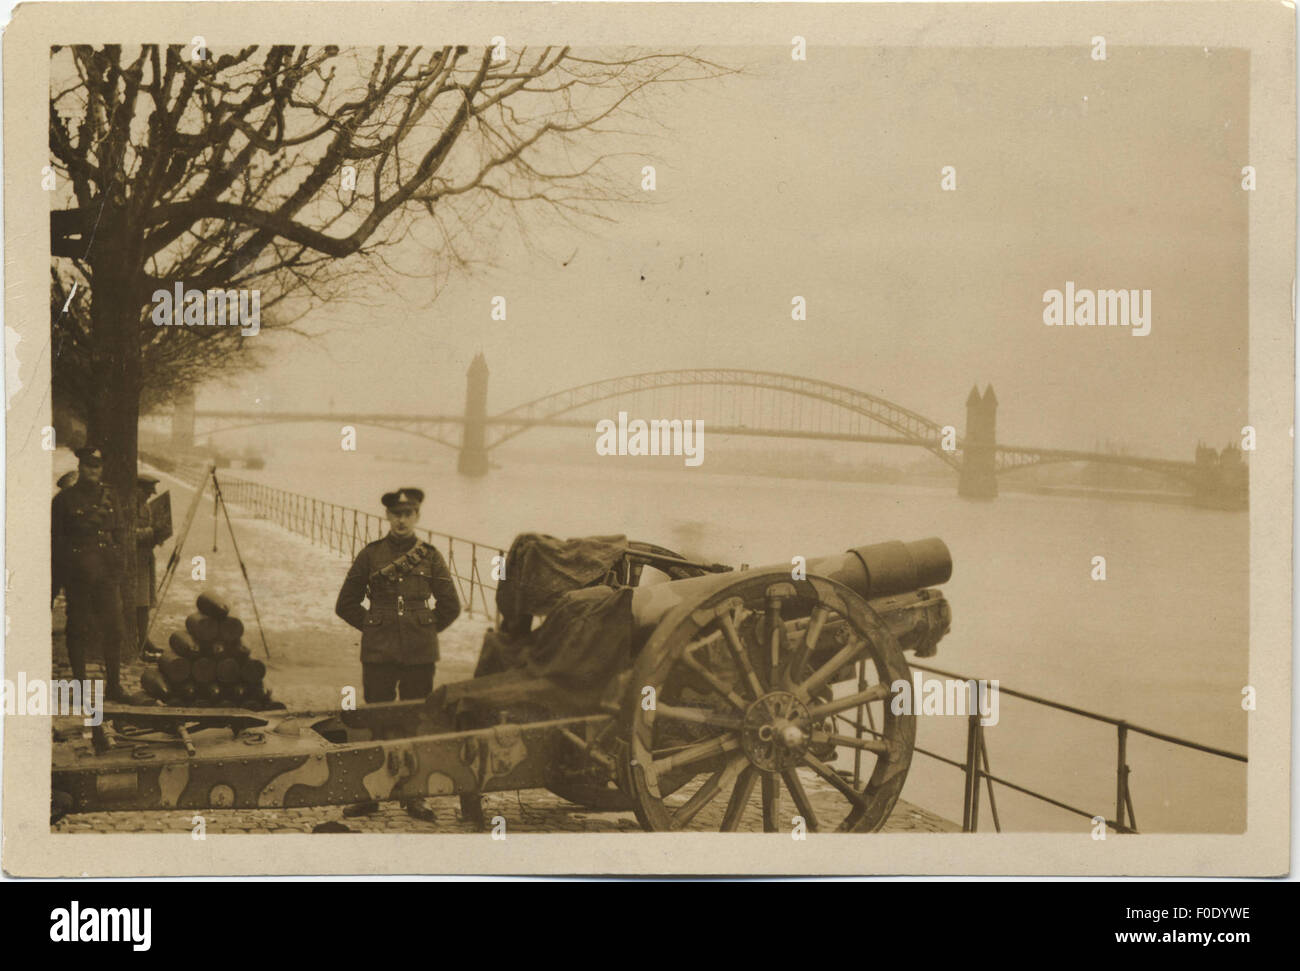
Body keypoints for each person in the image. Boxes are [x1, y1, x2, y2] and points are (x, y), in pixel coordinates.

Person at [334, 487, 460, 821]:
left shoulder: (430, 556)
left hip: (420, 653)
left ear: (417, 516)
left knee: (415, 720)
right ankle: (371, 794)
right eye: (396, 514)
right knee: (377, 719)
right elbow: (345, 604)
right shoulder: (371, 555)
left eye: (408, 514)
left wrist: (425, 629)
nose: (402, 520)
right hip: (378, 653)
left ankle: (415, 795)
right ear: (387, 516)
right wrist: (374, 626)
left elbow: (450, 605)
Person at [51, 446, 127, 701]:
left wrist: (119, 568)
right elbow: (57, 542)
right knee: (77, 628)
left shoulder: (111, 497)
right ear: (80, 467)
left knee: (114, 627)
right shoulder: (63, 500)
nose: (92, 470)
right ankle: (81, 686)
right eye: (88, 466)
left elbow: (119, 533)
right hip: (78, 573)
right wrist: (58, 581)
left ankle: (114, 686)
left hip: (106, 572)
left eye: (97, 466)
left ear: (101, 468)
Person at [133, 475, 164, 652]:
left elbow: (149, 531)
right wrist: (151, 532)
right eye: (145, 492)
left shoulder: (146, 508)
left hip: (145, 559)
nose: (148, 496)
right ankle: (139, 640)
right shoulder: (128, 507)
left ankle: (144, 639)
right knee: (136, 601)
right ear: (137, 489)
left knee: (145, 601)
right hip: (132, 560)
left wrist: (158, 536)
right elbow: (128, 534)